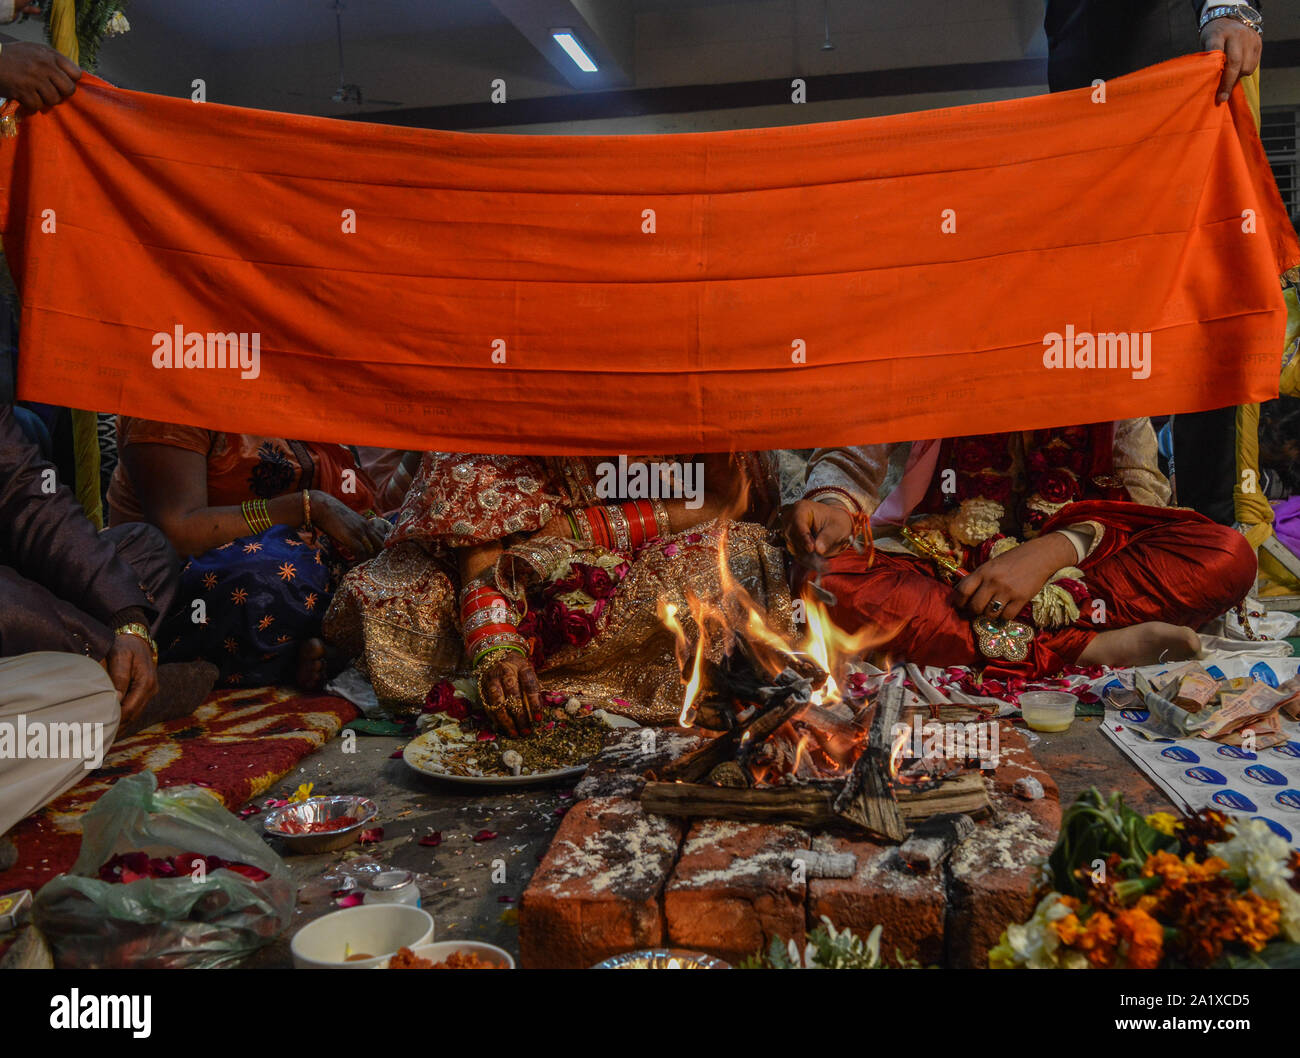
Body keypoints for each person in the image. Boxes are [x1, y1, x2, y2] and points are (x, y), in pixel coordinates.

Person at [325, 452, 788, 731]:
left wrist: (573, 529)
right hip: (499, 550)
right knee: (394, 595)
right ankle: (539, 675)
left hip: (648, 543)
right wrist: (495, 642)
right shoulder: (512, 333)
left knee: (739, 564)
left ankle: (562, 677)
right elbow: (474, 514)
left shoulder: (693, 342)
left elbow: (721, 499)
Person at [782, 422, 1257, 677]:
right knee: (826, 576)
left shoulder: (1102, 351)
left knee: (1227, 553)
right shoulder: (931, 337)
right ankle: (1085, 648)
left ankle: (1014, 644)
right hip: (947, 565)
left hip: (1087, 570)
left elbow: (1141, 495)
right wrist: (834, 506)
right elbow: (854, 459)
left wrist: (1052, 552)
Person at [1045, 0, 1265, 524]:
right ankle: (1110, 521)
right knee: (1100, 332)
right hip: (1079, 118)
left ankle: (1209, 537)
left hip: (1177, 92)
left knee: (1203, 323)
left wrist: (1228, 9)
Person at [107, 417, 415, 689]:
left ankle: (339, 647)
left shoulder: (277, 381)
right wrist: (310, 506)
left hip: (309, 556)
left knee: (424, 535)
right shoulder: (168, 395)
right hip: (190, 584)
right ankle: (344, 647)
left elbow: (360, 505)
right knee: (269, 575)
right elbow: (178, 531)